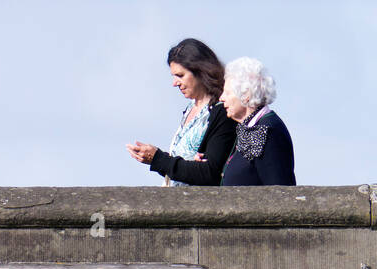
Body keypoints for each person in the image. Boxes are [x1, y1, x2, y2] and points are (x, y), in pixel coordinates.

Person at [126, 39, 237, 186]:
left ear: (200, 71)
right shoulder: (190, 108)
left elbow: (210, 172)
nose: (175, 83)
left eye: (180, 75)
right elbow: (183, 166)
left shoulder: (223, 112)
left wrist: (158, 159)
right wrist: (157, 159)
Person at [219, 58, 295, 186]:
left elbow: (279, 190)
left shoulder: (268, 130)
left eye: (227, 93)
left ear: (246, 94)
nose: (221, 98)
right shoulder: (250, 127)